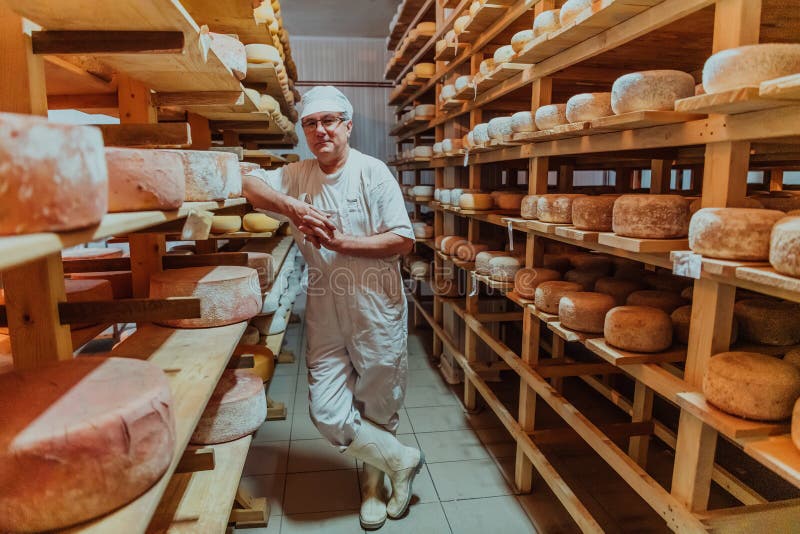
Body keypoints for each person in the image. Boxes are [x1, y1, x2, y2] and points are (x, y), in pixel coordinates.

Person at [242, 86, 425, 530]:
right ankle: (402, 460)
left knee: (379, 402)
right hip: (325, 300)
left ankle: (373, 487)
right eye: (310, 123)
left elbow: (403, 239)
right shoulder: (298, 175)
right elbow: (245, 180)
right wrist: (291, 206)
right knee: (326, 410)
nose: (320, 130)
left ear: (347, 126)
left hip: (375, 302)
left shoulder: (372, 172)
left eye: (329, 121)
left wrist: (343, 243)